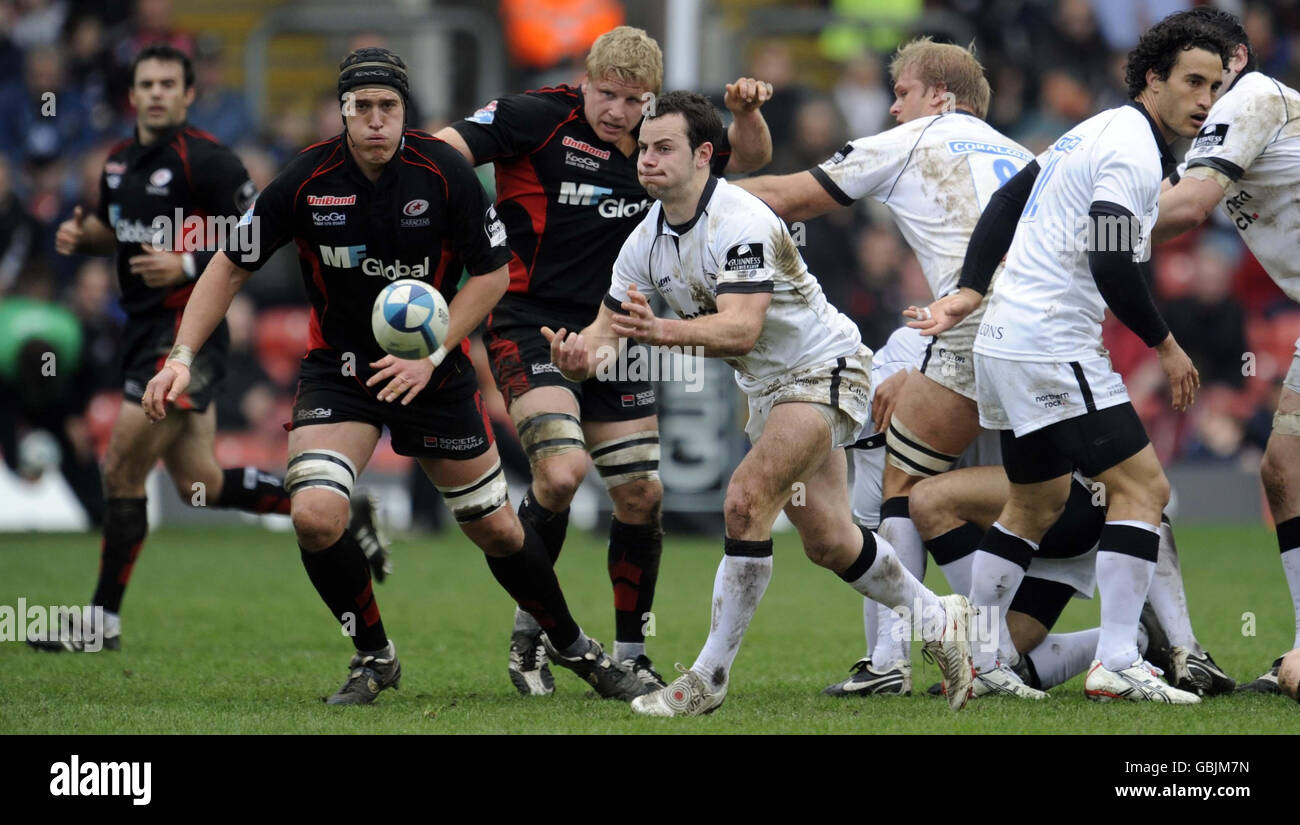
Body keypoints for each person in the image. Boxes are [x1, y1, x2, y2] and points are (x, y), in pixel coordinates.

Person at [141, 47, 651, 705]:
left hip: (432, 373)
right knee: (316, 514)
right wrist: (180, 355)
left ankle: (576, 645)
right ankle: (373, 654)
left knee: (496, 529)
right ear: (343, 111)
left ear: (405, 112)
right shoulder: (305, 178)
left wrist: (433, 351)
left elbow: (493, 274)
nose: (376, 121)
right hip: (341, 371)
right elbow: (229, 265)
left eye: (389, 107)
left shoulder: (442, 173)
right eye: (363, 107)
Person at [546, 91, 975, 716]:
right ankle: (939, 618)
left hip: (825, 371)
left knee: (744, 503)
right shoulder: (645, 240)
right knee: (828, 541)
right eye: (642, 149)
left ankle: (707, 680)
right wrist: (578, 356)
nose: (646, 160)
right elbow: (608, 332)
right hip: (768, 389)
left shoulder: (740, 220)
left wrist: (658, 331)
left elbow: (739, 330)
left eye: (663, 148)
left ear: (701, 156)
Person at [435, 25, 774, 694]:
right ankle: (534, 634)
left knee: (642, 494)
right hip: (528, 322)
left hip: (619, 327)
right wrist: (476, 229)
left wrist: (748, 113)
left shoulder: (662, 142)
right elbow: (441, 154)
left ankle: (633, 651)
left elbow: (752, 157)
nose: (618, 111)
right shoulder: (533, 116)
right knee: (560, 475)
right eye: (607, 94)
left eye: (634, 98)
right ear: (584, 82)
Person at [908, 13, 1231, 703]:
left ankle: (988, 658)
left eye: (1217, 86)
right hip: (1050, 342)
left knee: (1035, 501)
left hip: (1005, 343)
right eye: (1193, 82)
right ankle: (1118, 658)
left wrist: (970, 289)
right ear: (1153, 78)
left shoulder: (1093, 129)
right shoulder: (1132, 148)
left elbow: (1005, 199)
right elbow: (1111, 257)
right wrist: (1167, 347)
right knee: (1144, 489)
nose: (1206, 100)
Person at [27, 44, 387, 654]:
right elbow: (123, 236)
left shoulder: (212, 163)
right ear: (133, 95)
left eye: (171, 82)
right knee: (205, 483)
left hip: (187, 340)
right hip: (140, 335)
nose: (159, 91)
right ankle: (343, 512)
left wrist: (189, 262)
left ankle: (100, 622)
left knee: (120, 466)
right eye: (148, 82)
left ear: (189, 94)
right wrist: (86, 236)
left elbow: (263, 232)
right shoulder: (117, 164)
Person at [737, 37, 1039, 695]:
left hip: (972, 323)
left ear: (941, 97)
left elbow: (786, 196)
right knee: (1121, 490)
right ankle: (1146, 649)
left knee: (899, 481)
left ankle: (899, 659)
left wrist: (691, 198)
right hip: (1054, 329)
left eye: (901, 93)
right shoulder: (1020, 152)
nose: (894, 108)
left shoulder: (914, 139)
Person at [1153, 6, 1300, 695]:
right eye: (1189, 73)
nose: (1202, 88)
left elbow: (1183, 211)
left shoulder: (1253, 97)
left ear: (1237, 58)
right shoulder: (1217, 129)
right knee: (1283, 467)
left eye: (1210, 68)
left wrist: (1067, 229)